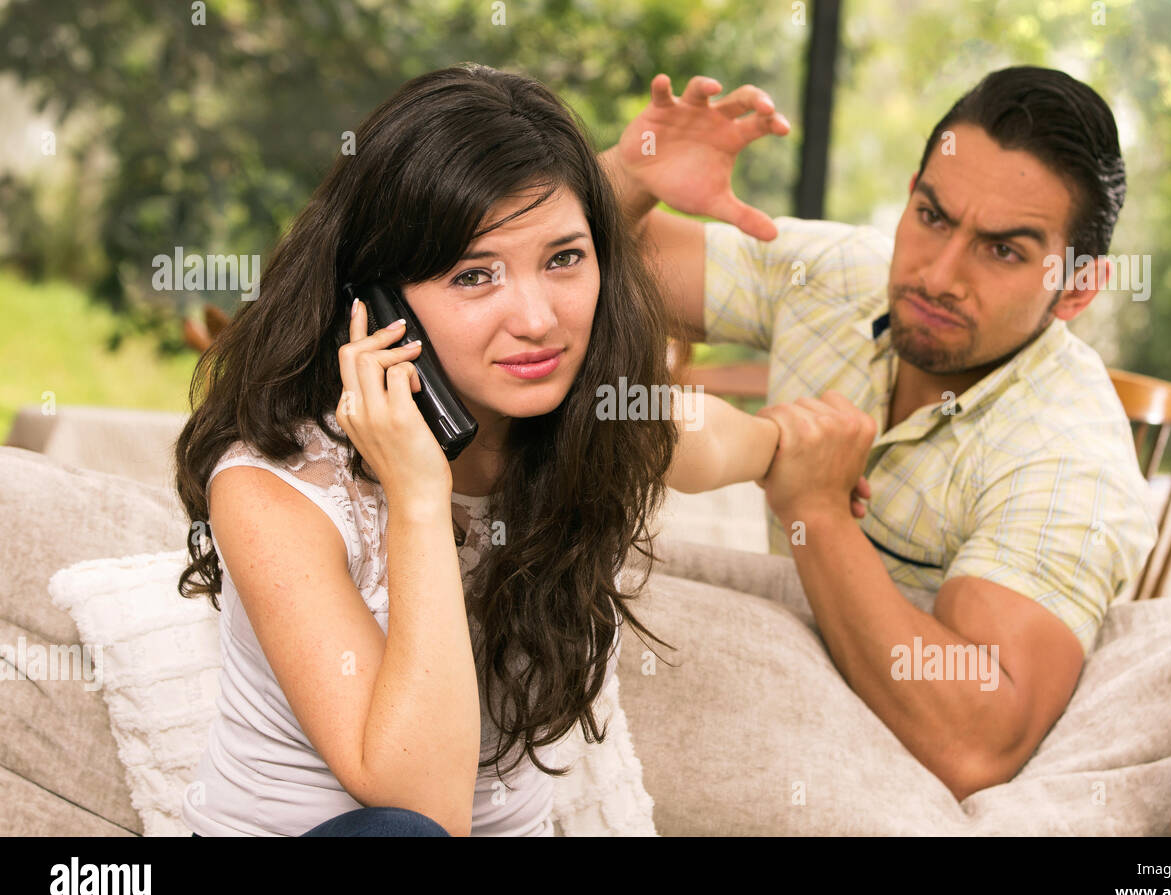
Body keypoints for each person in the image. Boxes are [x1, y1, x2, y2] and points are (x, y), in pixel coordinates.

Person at [173, 63, 868, 837]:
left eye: (565, 260)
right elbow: (421, 805)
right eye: (475, 275)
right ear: (372, 306)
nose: (538, 319)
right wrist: (417, 496)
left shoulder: (587, 426)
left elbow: (709, 438)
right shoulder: (275, 489)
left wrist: (795, 451)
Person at [598, 65, 1158, 801]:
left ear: (1079, 288)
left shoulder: (1069, 457)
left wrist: (821, 512)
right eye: (933, 216)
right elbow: (585, 269)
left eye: (1004, 250)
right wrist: (627, 173)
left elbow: (973, 738)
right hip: (780, 708)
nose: (939, 275)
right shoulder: (844, 274)